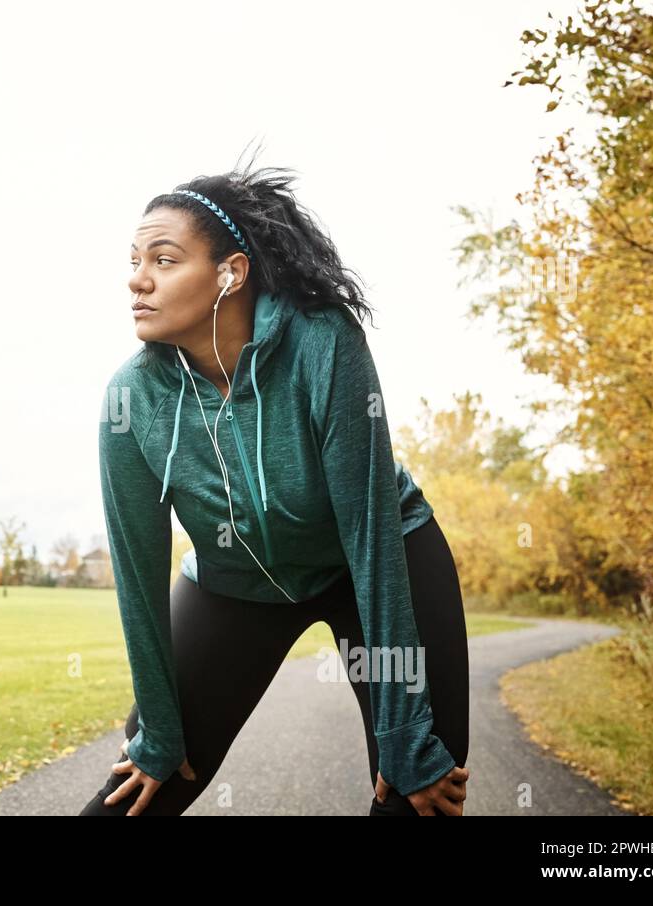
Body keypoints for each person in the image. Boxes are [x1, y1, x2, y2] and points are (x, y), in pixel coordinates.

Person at [82, 150, 471, 816]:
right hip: (236, 585)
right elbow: (137, 576)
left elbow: (370, 534)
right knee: (140, 790)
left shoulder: (322, 340)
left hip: (375, 560)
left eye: (164, 261)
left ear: (232, 274)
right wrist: (159, 726)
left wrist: (404, 733)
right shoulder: (132, 400)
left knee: (420, 792)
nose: (137, 281)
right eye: (134, 262)